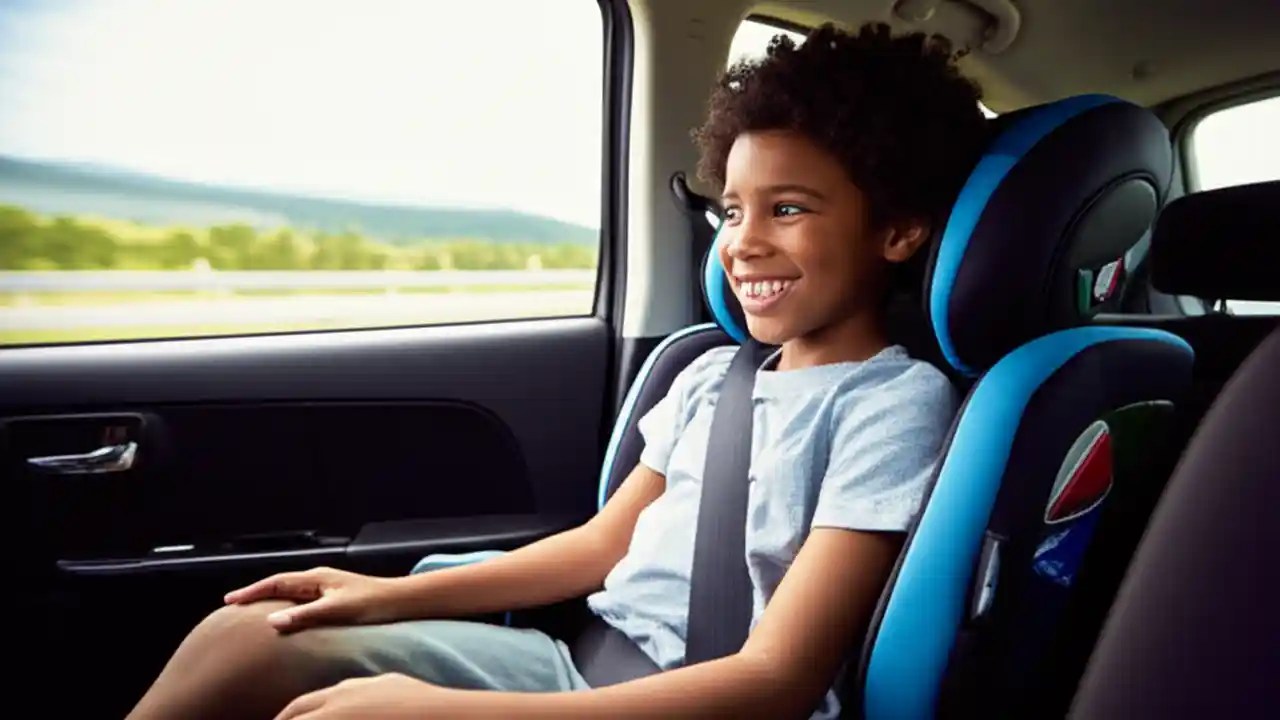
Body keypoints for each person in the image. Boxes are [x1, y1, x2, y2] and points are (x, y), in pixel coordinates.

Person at [128, 23, 987, 720]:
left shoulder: (892, 404)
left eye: (787, 209)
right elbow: (601, 545)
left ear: (898, 231)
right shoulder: (711, 377)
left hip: (703, 699)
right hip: (580, 666)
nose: (742, 243)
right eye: (732, 210)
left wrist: (443, 710)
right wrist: (379, 596)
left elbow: (775, 681)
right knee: (247, 635)